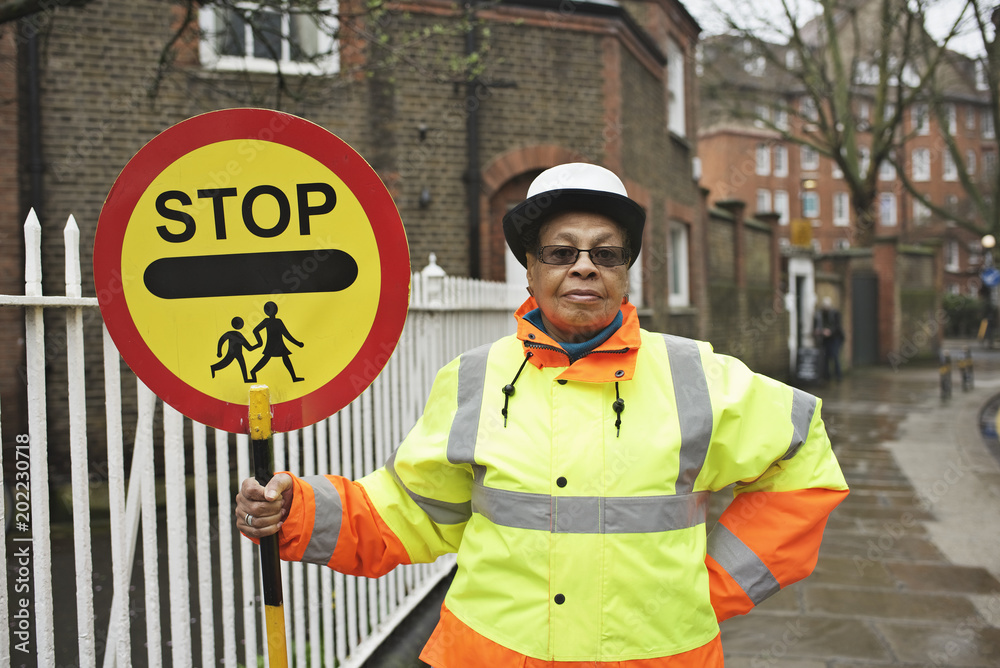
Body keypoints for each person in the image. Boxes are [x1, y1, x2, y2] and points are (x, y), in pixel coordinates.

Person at [236, 163, 849, 667]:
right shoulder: (474, 378)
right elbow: (412, 509)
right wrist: (300, 507)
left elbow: (805, 466)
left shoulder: (701, 376)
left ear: (626, 274)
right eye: (561, 251)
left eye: (606, 255)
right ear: (529, 268)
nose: (584, 266)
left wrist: (717, 586)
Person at [814, 296, 844, 382]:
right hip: (825, 339)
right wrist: (817, 331)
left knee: (835, 356)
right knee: (825, 357)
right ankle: (827, 376)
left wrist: (830, 331)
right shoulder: (819, 314)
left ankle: (838, 376)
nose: (825, 309)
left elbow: (838, 327)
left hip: (835, 338)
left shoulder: (835, 314)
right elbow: (816, 324)